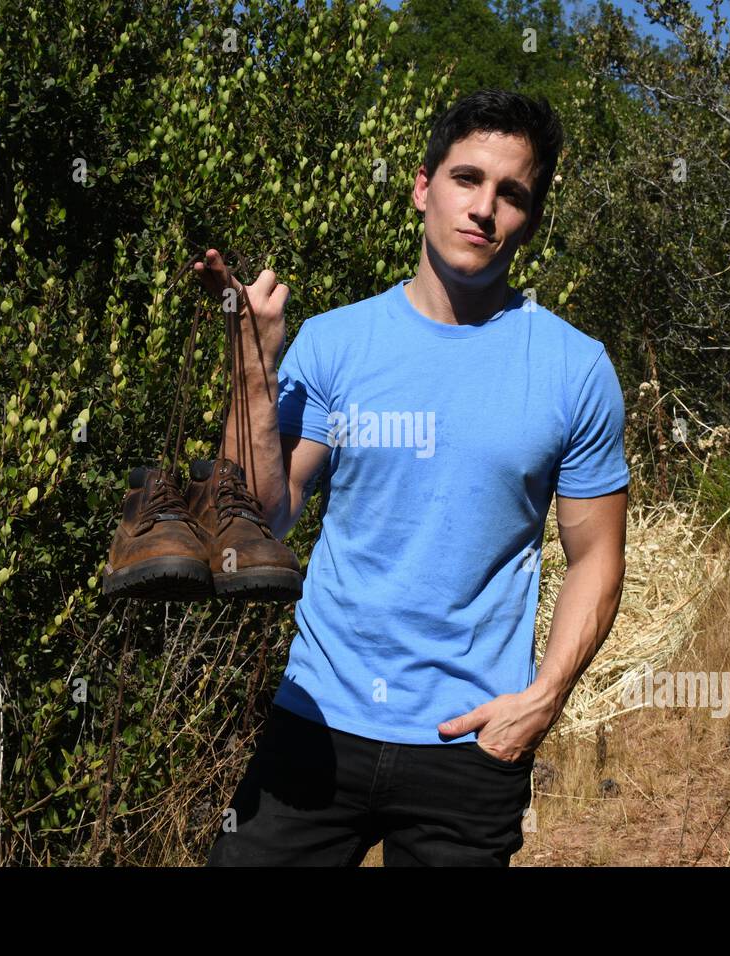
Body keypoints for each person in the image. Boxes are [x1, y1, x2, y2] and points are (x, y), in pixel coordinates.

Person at [197, 88, 629, 866]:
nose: (484, 209)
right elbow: (263, 512)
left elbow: (597, 557)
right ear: (423, 187)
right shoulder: (336, 344)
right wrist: (254, 362)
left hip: (472, 745)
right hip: (317, 722)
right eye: (466, 180)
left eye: (512, 194)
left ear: (531, 218)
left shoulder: (575, 369)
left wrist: (544, 700)